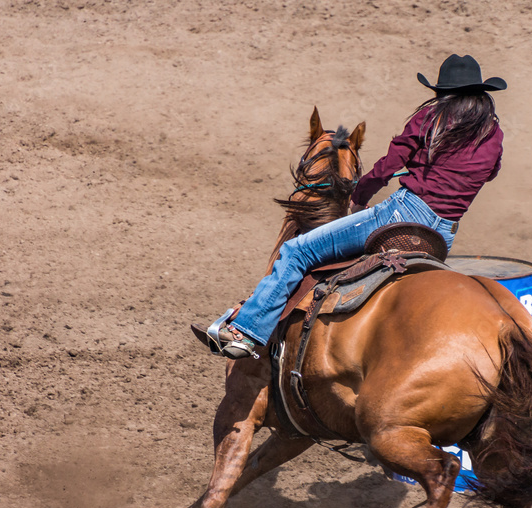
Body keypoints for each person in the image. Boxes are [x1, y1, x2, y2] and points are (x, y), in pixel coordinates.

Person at [199, 54, 507, 359]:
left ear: (442, 93)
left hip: (404, 214)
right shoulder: (493, 134)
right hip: (443, 233)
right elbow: (490, 173)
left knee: (298, 251)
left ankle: (245, 332)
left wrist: (361, 194)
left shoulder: (431, 119)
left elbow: (389, 165)